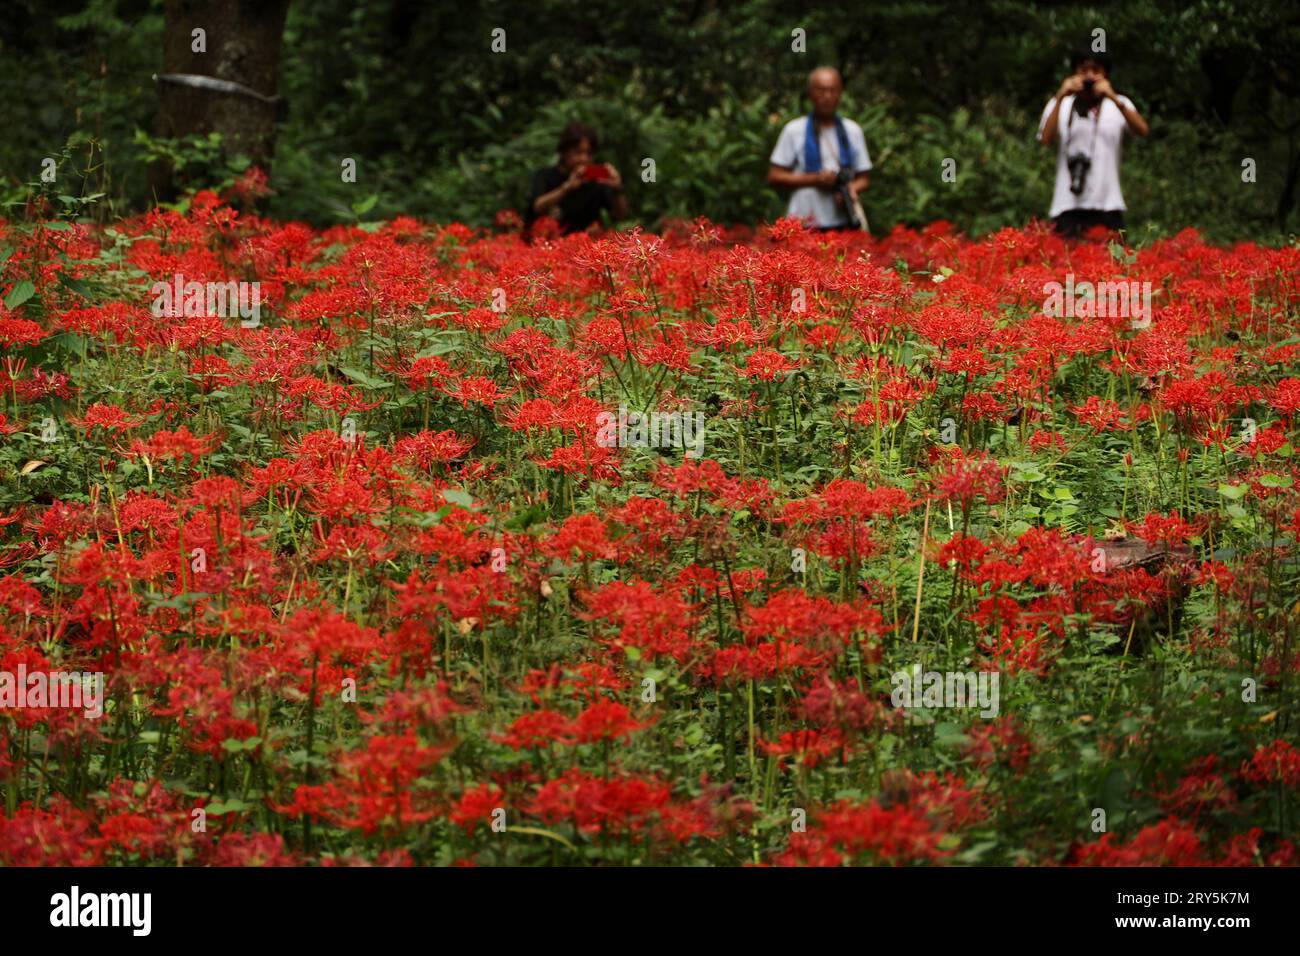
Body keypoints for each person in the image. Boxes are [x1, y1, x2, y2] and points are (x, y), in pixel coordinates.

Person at [1037, 46, 1149, 238]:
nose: (1089, 76)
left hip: (1108, 204)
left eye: (1096, 70)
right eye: (1083, 70)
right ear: (1073, 73)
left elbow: (1142, 130)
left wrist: (1112, 96)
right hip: (1067, 205)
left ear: (1106, 75)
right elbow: (1046, 139)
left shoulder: (1118, 103)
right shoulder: (1061, 104)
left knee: (1114, 264)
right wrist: (1061, 95)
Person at [767, 66, 872, 231]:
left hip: (843, 221)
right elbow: (774, 176)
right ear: (810, 94)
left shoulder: (853, 130)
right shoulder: (794, 130)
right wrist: (815, 179)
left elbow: (864, 177)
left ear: (840, 94)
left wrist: (850, 188)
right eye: (821, 91)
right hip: (802, 223)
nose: (827, 96)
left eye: (832, 90)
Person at [525, 121, 628, 237]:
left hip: (583, 247)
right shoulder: (545, 175)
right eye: (578, 152)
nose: (583, 158)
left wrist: (617, 189)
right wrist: (567, 188)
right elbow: (538, 207)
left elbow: (620, 215)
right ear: (563, 152)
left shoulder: (596, 182)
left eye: (589, 153)